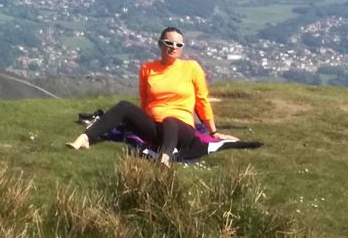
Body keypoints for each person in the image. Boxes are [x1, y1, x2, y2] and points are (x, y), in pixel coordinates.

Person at [67, 26, 234, 164]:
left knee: (170, 120)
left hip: (182, 129)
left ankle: (165, 158)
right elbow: (145, 101)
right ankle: (85, 138)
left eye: (178, 45)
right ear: (160, 44)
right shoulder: (148, 68)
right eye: (169, 43)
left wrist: (213, 132)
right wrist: (140, 121)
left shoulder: (192, 68)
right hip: (155, 127)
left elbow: (202, 101)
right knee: (124, 105)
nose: (173, 47)